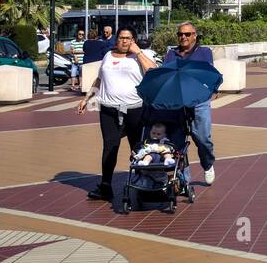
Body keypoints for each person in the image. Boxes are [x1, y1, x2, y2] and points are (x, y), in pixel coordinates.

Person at [78, 28, 156, 202]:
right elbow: (99, 79)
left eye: (128, 38)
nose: (124, 41)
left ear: (134, 40)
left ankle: (142, 183)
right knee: (109, 146)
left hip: (135, 109)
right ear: (116, 39)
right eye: (121, 38)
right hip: (108, 109)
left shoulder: (140, 57)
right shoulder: (108, 56)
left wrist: (139, 53)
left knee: (138, 147)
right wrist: (87, 98)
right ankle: (106, 186)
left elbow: (154, 71)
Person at [163, 21, 218, 185]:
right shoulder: (171, 54)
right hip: (177, 103)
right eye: (180, 34)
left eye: (187, 34)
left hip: (198, 102)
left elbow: (206, 74)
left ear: (194, 36)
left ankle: (207, 164)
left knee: (203, 139)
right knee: (177, 143)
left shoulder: (204, 52)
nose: (183, 37)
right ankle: (184, 180)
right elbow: (167, 75)